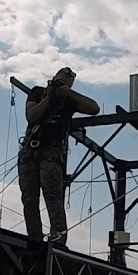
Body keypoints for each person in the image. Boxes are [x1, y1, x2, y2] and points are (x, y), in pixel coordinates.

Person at [18, 67, 99, 246]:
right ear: (53, 78)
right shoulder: (39, 92)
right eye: (59, 81)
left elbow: (94, 108)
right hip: (30, 150)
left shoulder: (70, 100)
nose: (60, 84)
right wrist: (49, 96)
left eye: (65, 83)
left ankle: (58, 241)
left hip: (52, 152)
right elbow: (31, 116)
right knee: (29, 198)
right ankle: (34, 239)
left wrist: (69, 93)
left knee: (52, 196)